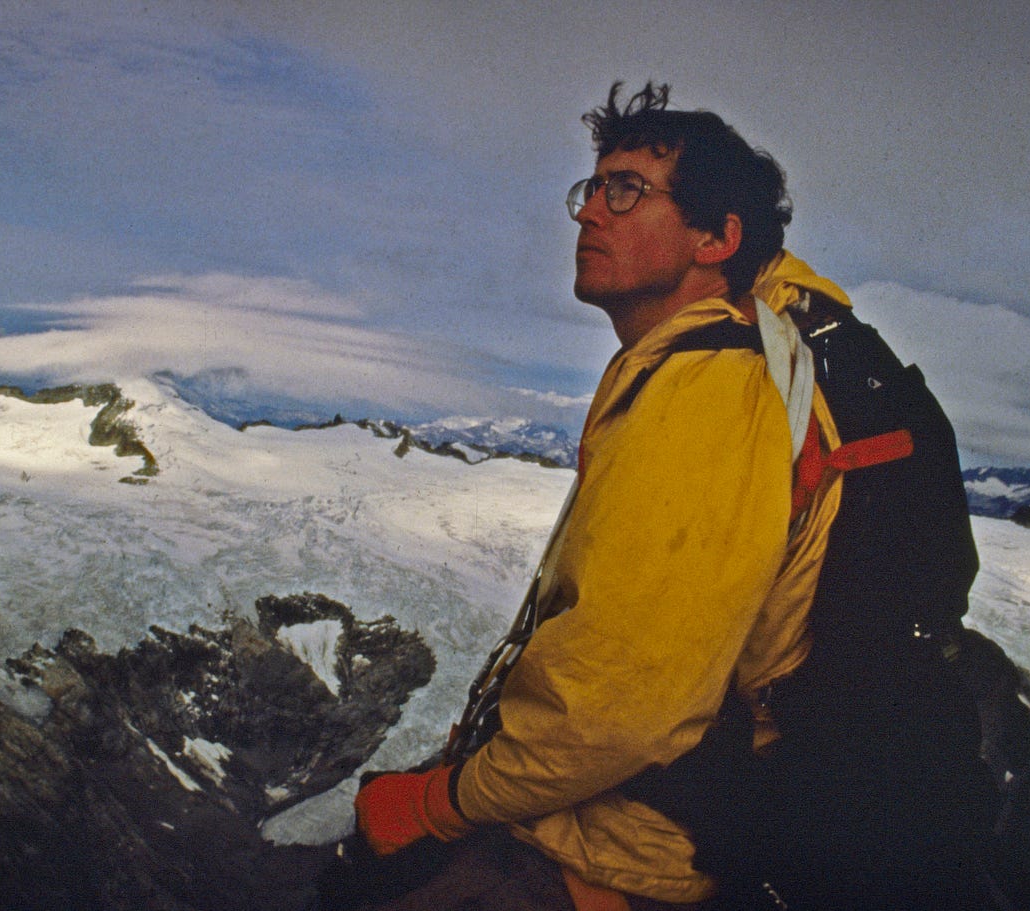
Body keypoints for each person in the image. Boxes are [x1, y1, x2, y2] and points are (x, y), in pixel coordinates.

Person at [344, 82, 932, 910]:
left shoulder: (709, 388)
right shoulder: (728, 364)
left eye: (627, 191)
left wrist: (442, 802)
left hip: (631, 850)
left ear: (716, 238)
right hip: (655, 818)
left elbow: (619, 703)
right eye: (592, 189)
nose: (589, 214)